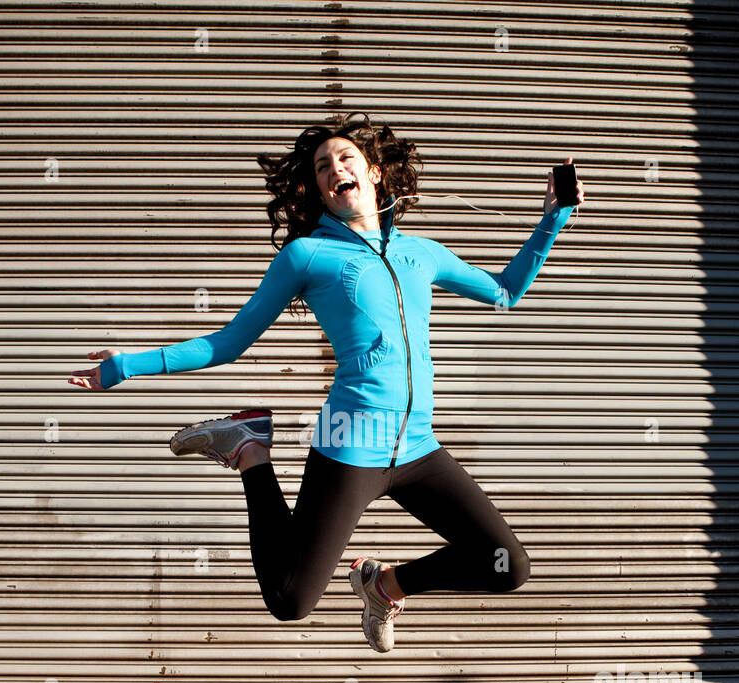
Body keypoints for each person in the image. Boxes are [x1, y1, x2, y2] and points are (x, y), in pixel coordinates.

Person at [68, 111, 584, 653]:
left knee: (505, 565)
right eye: (321, 167)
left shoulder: (420, 253)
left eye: (345, 158)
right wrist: (125, 365)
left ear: (375, 172)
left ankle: (383, 585)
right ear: (318, 188)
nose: (334, 170)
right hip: (350, 442)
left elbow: (505, 292)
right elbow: (228, 343)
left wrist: (551, 220)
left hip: (419, 448)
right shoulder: (308, 254)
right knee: (289, 600)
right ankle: (249, 451)